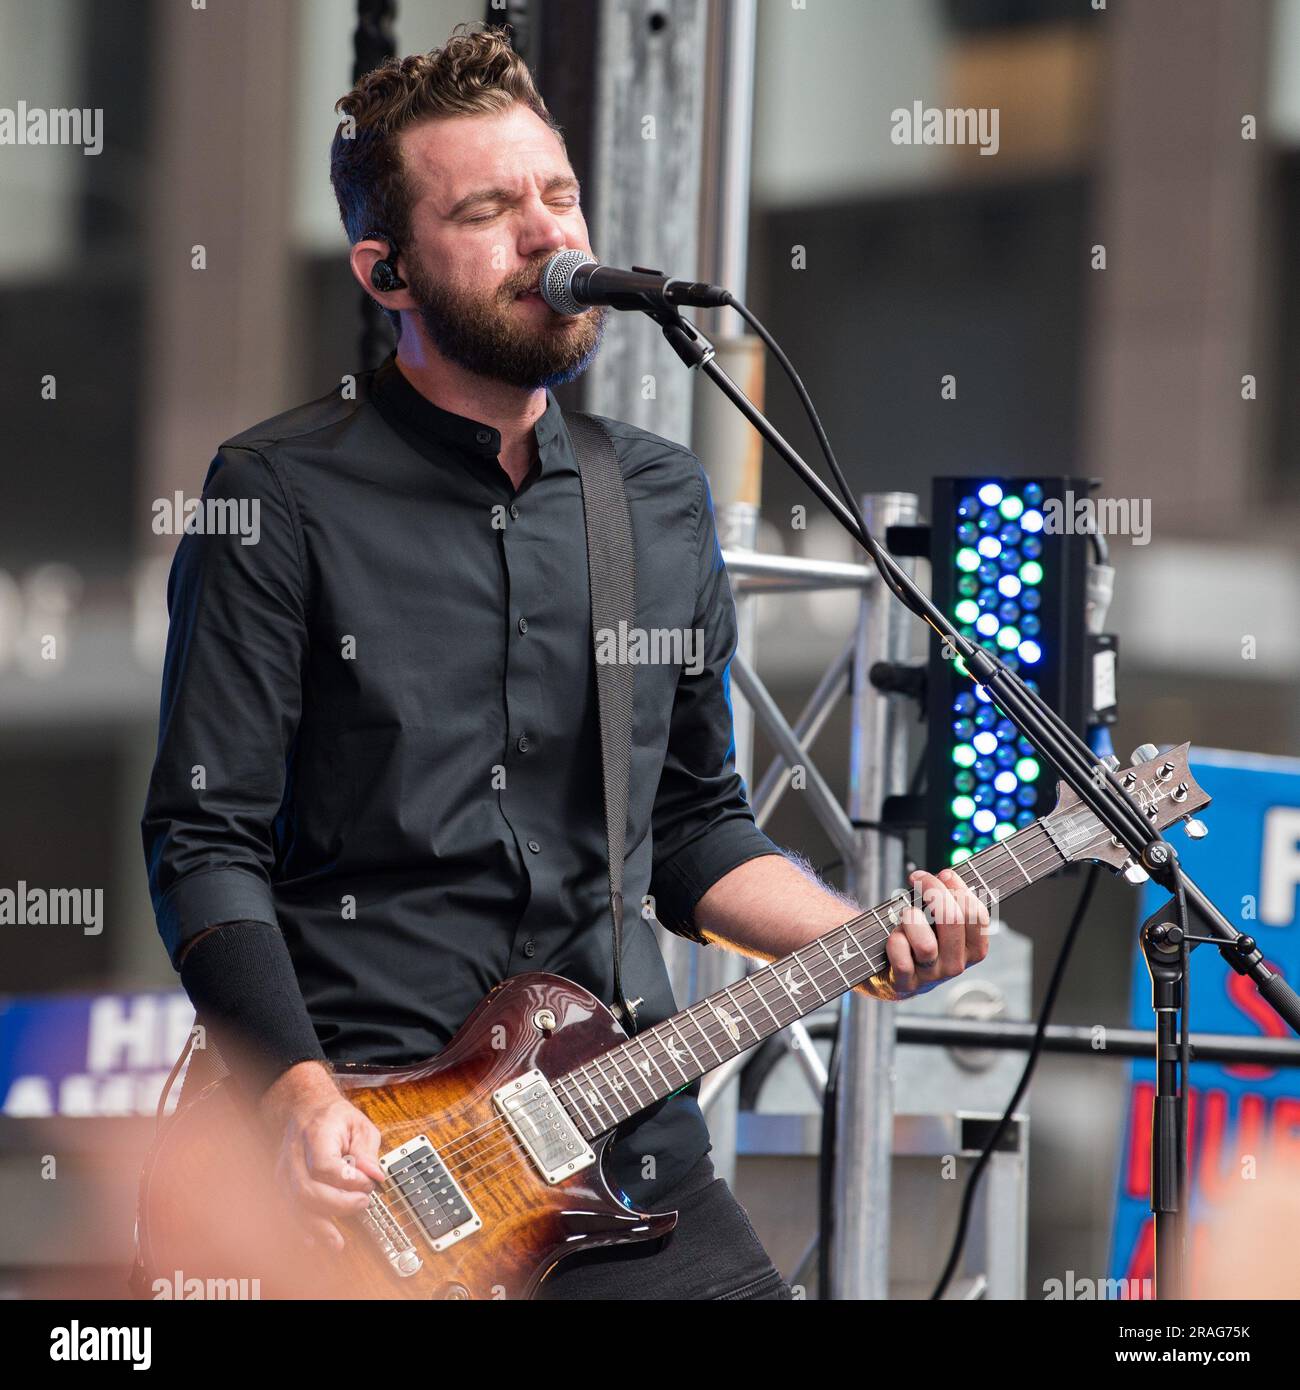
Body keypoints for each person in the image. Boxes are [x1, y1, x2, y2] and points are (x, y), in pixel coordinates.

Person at [140, 22, 990, 1301]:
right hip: (371, 1152)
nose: (550, 238)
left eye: (559, 194)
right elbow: (205, 839)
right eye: (489, 209)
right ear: (387, 272)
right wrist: (296, 1096)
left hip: (622, 1149)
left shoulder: (651, 498)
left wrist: (864, 934)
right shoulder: (275, 494)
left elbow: (695, 828)